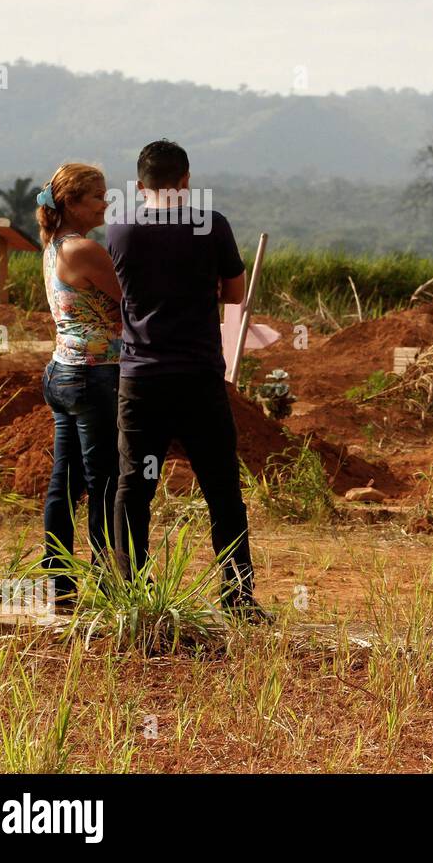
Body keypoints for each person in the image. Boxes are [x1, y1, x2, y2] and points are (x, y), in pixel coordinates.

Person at [106, 139, 265, 617]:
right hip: (198, 376)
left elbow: (118, 294)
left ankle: (131, 592)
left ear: (139, 186)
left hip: (141, 378)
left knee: (134, 486)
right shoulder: (211, 225)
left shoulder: (118, 231)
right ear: (186, 180)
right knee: (222, 489)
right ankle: (238, 597)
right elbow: (235, 296)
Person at [36, 163, 124, 608]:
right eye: (97, 196)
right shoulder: (86, 250)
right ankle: (111, 588)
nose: (105, 203)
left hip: (62, 371)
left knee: (64, 484)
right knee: (105, 481)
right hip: (93, 375)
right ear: (71, 202)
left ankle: (60, 588)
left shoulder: (54, 246)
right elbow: (131, 302)